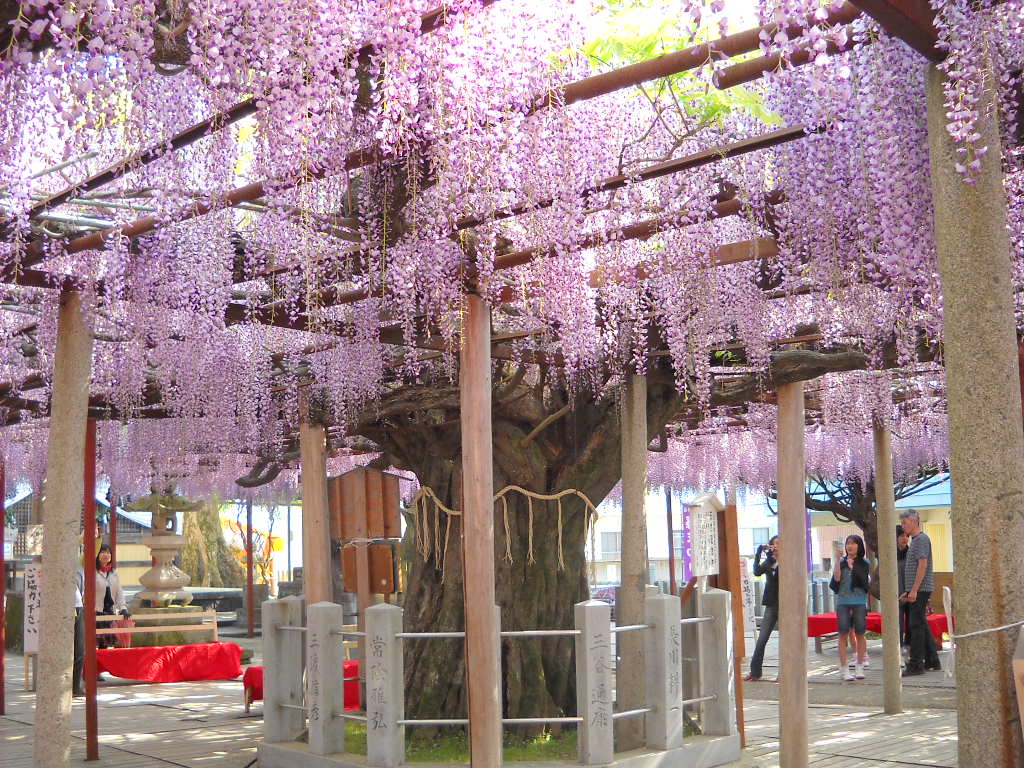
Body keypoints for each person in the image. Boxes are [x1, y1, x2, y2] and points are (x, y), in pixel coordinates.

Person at [899, 509, 941, 675]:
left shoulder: (921, 539)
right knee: (921, 624)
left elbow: (922, 565)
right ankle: (933, 660)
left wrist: (915, 589)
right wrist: (908, 591)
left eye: (905, 522)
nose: (903, 527)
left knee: (915, 625)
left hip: (921, 589)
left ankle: (916, 664)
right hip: (916, 589)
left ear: (914, 521)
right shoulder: (915, 540)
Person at [830, 534, 870, 681]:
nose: (850, 546)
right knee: (843, 633)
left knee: (860, 633)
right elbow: (837, 578)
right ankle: (844, 668)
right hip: (843, 601)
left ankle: (859, 666)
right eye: (848, 543)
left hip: (859, 600)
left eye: (853, 543)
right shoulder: (840, 562)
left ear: (859, 546)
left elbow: (863, 580)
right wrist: (837, 560)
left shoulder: (865, 562)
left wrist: (853, 566)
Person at [745, 535, 779, 681]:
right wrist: (759, 553)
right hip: (771, 604)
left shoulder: (789, 560)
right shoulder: (770, 561)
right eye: (775, 544)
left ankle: (784, 673)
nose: (777, 546)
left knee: (786, 641)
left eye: (780, 544)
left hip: (786, 604)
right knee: (762, 638)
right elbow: (757, 571)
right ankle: (755, 672)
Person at [93, 544, 130, 650]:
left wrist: (123, 608)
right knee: (93, 644)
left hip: (109, 612)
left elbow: (119, 593)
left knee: (107, 645)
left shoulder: (114, 573)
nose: (106, 555)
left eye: (109, 552)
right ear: (97, 554)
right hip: (95, 611)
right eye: (103, 552)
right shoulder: (91, 572)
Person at [896, 525, 911, 647]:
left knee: (912, 625)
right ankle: (898, 650)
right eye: (901, 536)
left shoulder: (911, 554)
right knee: (898, 625)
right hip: (896, 596)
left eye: (906, 536)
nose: (904, 538)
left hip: (911, 594)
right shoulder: (889, 556)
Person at [73, 566, 85, 697]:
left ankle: (75, 686)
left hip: (79, 607)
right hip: (65, 607)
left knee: (80, 650)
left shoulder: (80, 568)